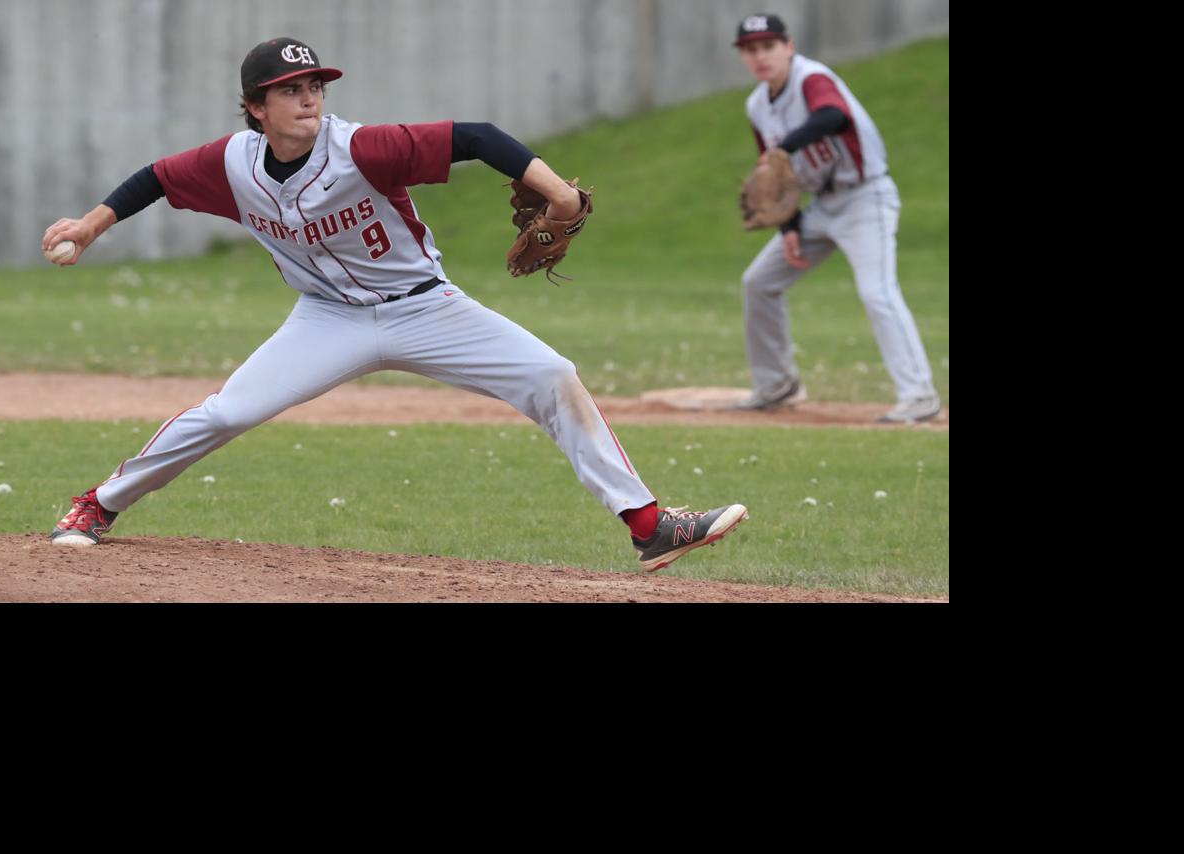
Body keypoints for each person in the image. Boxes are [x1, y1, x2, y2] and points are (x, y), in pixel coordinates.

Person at [40, 38, 746, 572]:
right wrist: (90, 225)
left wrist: (559, 193)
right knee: (228, 411)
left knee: (551, 374)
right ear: (256, 108)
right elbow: (157, 178)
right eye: (289, 89)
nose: (308, 95)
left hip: (425, 308)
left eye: (314, 82)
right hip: (326, 318)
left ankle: (649, 524)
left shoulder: (362, 149)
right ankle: (98, 504)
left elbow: (476, 137)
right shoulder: (232, 163)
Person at [728, 14, 940, 424]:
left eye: (768, 46)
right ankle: (778, 385)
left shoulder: (812, 78)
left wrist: (785, 147)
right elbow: (776, 181)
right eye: (751, 50)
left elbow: (833, 117)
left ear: (788, 47)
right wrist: (789, 227)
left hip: (865, 199)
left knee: (878, 292)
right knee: (759, 283)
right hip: (820, 208)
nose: (760, 56)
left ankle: (919, 396)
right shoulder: (757, 105)